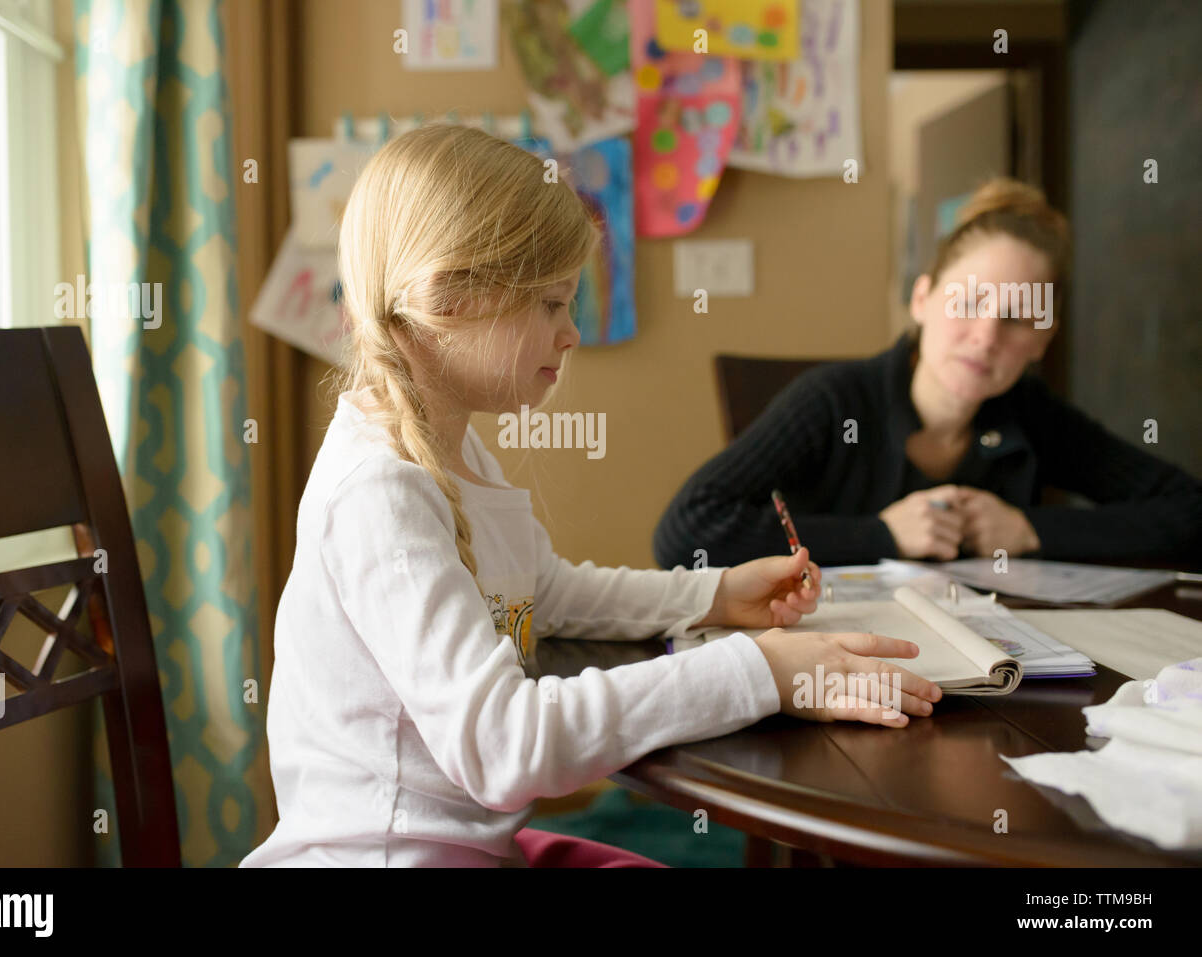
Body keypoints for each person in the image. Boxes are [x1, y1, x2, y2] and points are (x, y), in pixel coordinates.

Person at [240, 125, 940, 869]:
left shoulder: (453, 447)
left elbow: (546, 589)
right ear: (448, 295)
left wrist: (713, 594)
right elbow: (502, 745)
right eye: (551, 304)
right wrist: (762, 671)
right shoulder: (380, 493)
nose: (570, 334)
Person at [654, 178, 1202, 570]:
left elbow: (1189, 511)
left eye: (1015, 319)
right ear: (922, 299)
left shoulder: (1030, 412)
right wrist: (881, 534)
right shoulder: (833, 401)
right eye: (968, 303)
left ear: (1043, 339)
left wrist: (1029, 530)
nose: (986, 337)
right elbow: (685, 533)